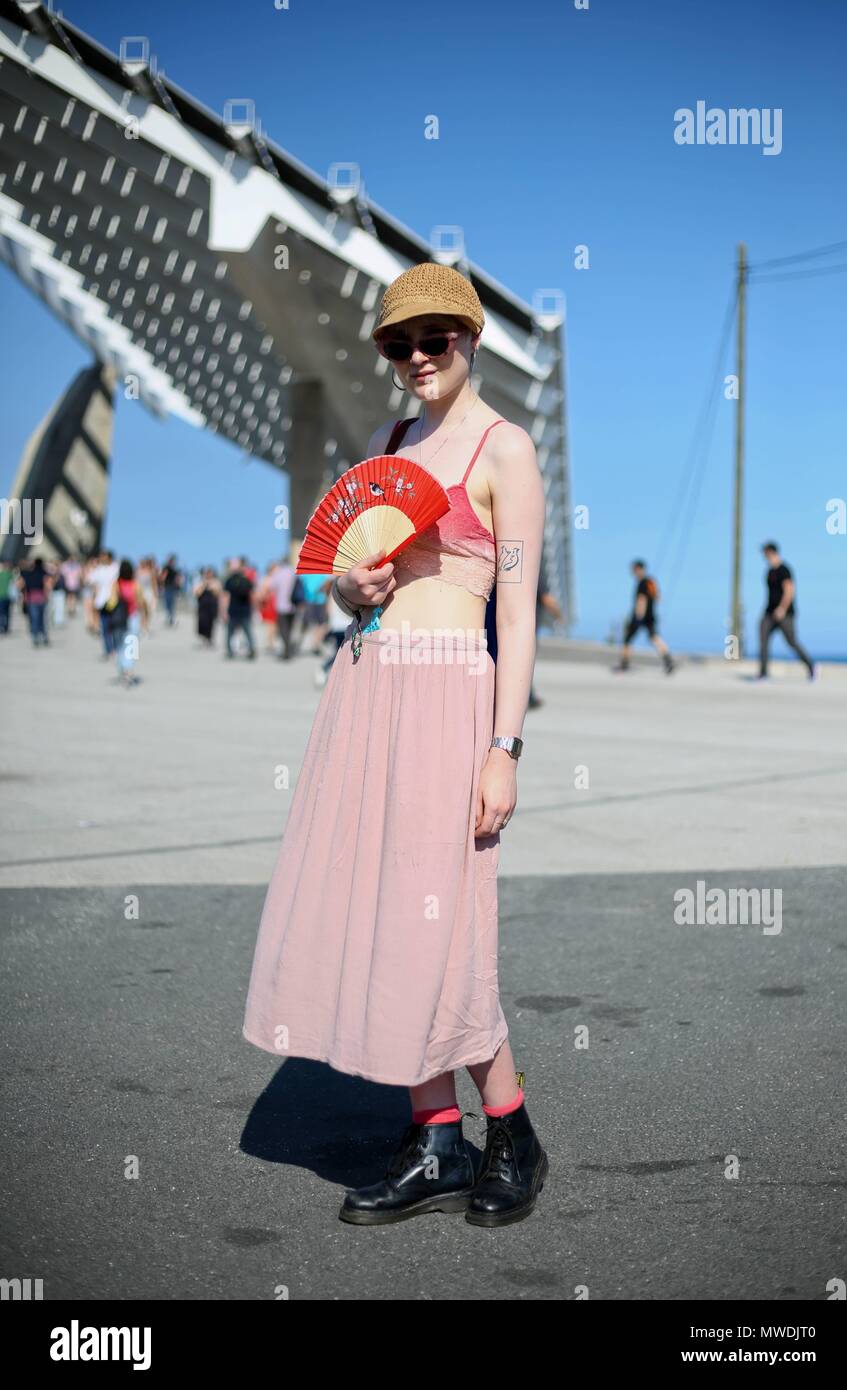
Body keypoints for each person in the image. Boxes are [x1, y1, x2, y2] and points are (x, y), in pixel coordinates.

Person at [243, 261, 549, 1227]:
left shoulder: (508, 453)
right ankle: (436, 1143)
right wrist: (350, 587)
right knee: (381, 914)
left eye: (434, 339)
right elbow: (346, 571)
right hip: (367, 685)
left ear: (470, 339)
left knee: (445, 924)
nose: (416, 357)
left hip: (453, 700)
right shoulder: (384, 442)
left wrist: (505, 745)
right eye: (397, 344)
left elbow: (518, 612)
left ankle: (513, 1133)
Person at [484, 554, 562, 706]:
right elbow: (546, 597)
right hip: (523, 625)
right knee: (522, 658)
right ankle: (524, 697)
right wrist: (558, 615)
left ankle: (522, 695)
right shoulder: (533, 566)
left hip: (506, 620)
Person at [757, 542, 815, 680]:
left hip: (785, 614)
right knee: (763, 639)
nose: (764, 556)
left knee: (791, 642)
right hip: (769, 612)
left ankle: (811, 666)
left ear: (772, 552)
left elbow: (789, 590)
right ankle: (763, 673)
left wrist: (782, 608)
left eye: (765, 553)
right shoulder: (769, 571)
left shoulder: (784, 569)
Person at [613, 560, 675, 674]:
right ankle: (668, 660)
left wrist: (638, 616)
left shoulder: (642, 583)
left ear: (638, 569)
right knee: (654, 637)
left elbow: (642, 600)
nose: (632, 572)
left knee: (627, 638)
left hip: (640, 616)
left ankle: (624, 663)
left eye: (633, 569)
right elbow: (658, 597)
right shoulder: (651, 582)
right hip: (651, 616)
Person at [108, 559, 149, 687]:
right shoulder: (135, 585)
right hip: (133, 617)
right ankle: (129, 671)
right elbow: (141, 603)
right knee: (132, 646)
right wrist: (145, 619)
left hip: (119, 618)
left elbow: (112, 602)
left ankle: (122, 669)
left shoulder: (116, 584)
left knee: (120, 644)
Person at [223, 557, 256, 659]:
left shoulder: (229, 580)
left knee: (229, 633)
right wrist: (253, 609)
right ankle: (251, 650)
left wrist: (224, 611)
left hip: (233, 611)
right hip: (244, 611)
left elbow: (225, 597)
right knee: (248, 632)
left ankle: (229, 652)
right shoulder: (246, 581)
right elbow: (252, 596)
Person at [18, 556, 52, 646]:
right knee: (42, 619)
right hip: (41, 598)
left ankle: (35, 637)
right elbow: (47, 585)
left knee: (34, 619)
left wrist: (23, 595)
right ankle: (44, 637)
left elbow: (20, 585)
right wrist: (47, 595)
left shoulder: (27, 573)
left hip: (31, 598)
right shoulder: (44, 573)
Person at [268, 555, 297, 660]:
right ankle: (288, 649)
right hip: (294, 605)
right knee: (290, 629)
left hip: (282, 605)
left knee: (283, 630)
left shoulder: (278, 574)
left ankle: (287, 651)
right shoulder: (294, 572)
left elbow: (271, 587)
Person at [91, 549, 119, 656]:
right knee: (105, 627)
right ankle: (109, 650)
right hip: (101, 601)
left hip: (114, 601)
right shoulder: (98, 569)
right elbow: (92, 582)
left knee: (115, 626)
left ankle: (116, 648)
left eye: (104, 557)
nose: (102, 559)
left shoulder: (116, 568)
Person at [194, 567, 221, 646]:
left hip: (212, 605)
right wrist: (204, 585)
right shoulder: (200, 582)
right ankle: (204, 637)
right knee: (202, 622)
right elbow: (196, 593)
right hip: (202, 606)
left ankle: (209, 638)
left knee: (211, 622)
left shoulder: (216, 582)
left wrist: (211, 587)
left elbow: (218, 593)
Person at [257, 563, 279, 655]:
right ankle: (270, 644)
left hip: (274, 603)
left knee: (274, 626)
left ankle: (271, 643)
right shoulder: (267, 579)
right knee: (271, 625)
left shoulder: (271, 579)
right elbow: (262, 593)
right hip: (270, 604)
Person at [160, 554, 181, 626]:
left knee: (169, 603)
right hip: (170, 587)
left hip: (169, 587)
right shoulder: (172, 569)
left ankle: (170, 618)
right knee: (170, 604)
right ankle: (170, 618)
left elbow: (163, 577)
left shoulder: (168, 568)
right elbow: (177, 580)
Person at [0, 560, 16, 634]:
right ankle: (6, 627)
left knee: (1, 613)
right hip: (8, 597)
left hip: (1, 597)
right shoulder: (10, 575)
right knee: (7, 613)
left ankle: (1, 626)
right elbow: (14, 585)